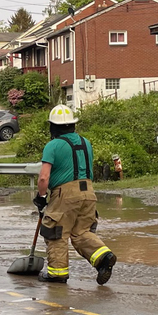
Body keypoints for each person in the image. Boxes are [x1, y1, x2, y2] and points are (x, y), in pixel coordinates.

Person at [33, 104, 117, 285]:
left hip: (65, 193)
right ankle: (104, 257)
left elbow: (44, 177)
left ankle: (57, 273)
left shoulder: (52, 145)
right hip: (89, 191)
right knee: (81, 232)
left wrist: (41, 197)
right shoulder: (86, 142)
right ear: (72, 124)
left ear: (53, 126)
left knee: (56, 232)